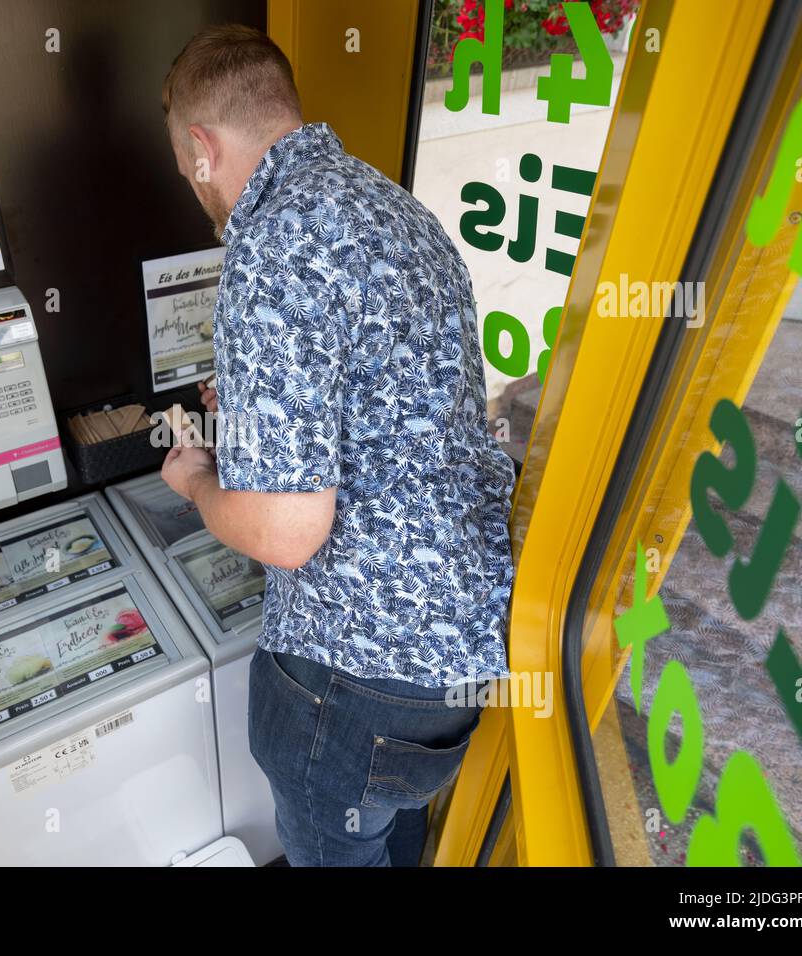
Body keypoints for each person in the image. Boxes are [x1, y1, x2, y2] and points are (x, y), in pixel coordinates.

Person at [158, 23, 516, 867]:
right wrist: (254, 408)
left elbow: (288, 532)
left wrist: (198, 483)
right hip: (457, 653)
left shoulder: (269, 244)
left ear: (202, 146)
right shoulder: (394, 207)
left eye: (184, 167)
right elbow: (395, 399)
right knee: (397, 844)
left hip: (354, 680)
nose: (193, 187)